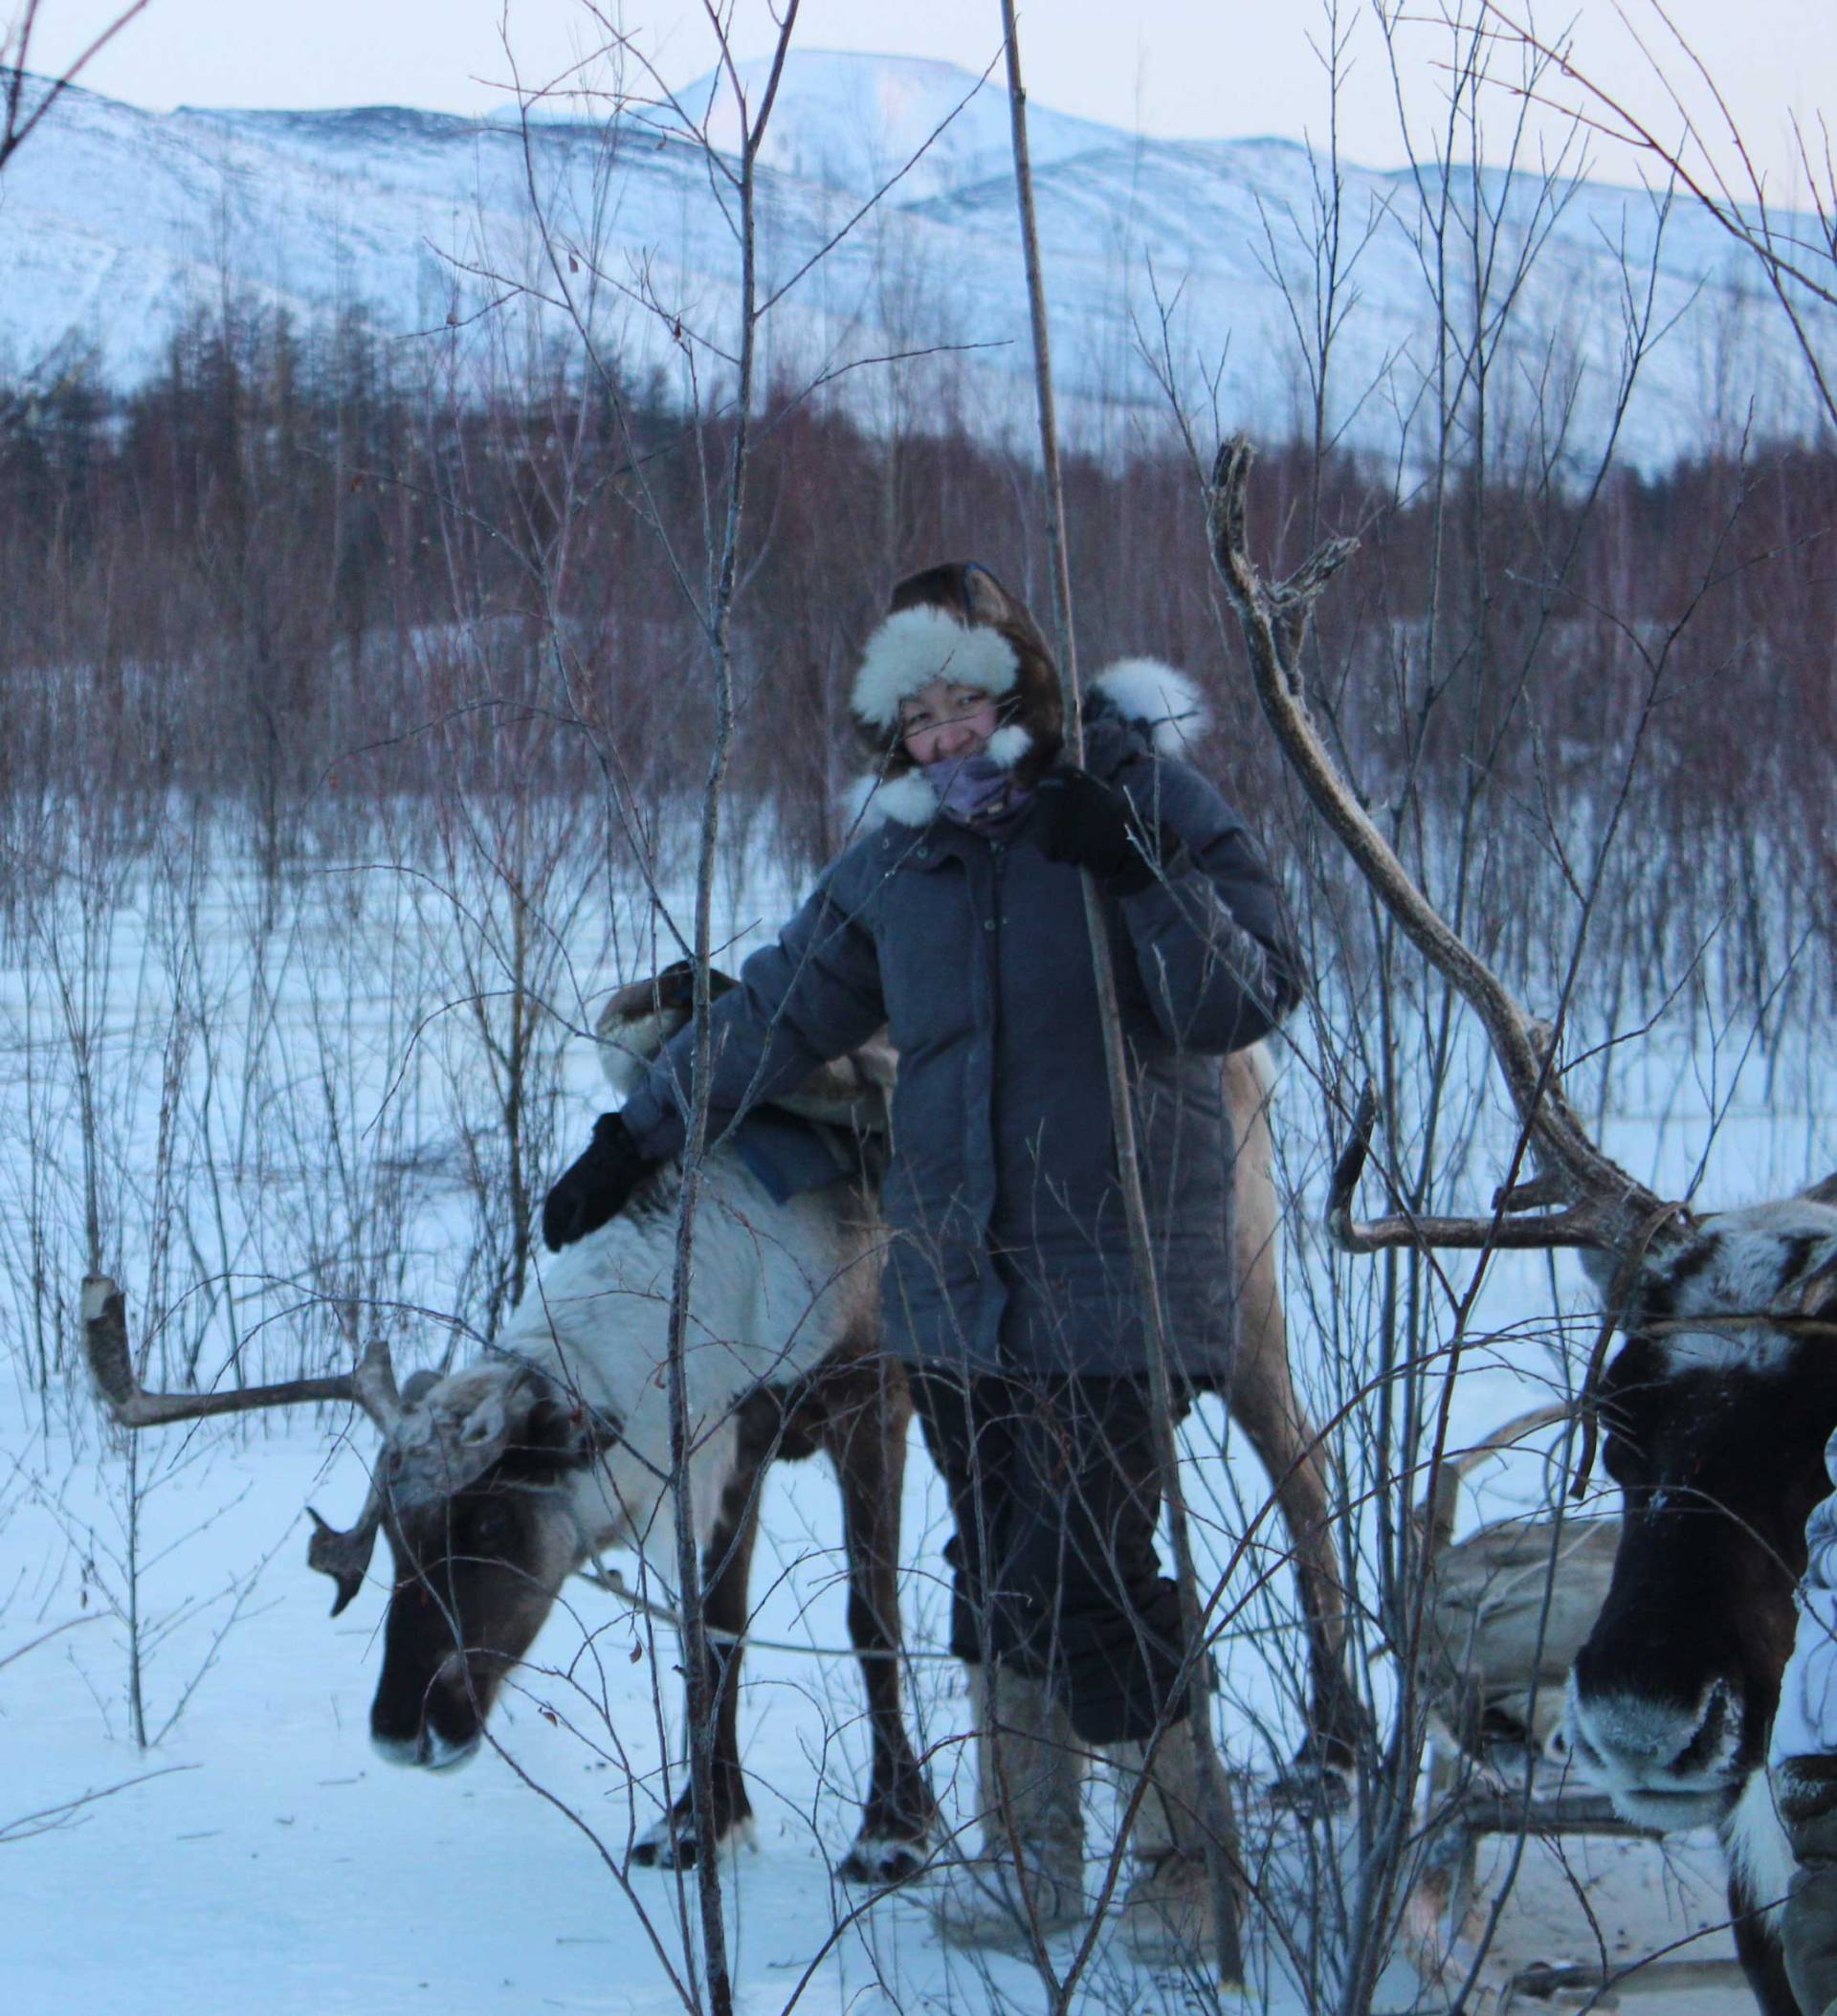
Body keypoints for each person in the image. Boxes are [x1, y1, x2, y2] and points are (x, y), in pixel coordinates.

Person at [542, 561, 1304, 1962]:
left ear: (1025, 691)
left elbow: (1244, 992)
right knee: (1002, 1569)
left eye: (966, 704)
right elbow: (775, 1007)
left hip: (1117, 1264)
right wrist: (637, 1132)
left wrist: (1133, 869)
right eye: (917, 721)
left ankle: (1195, 1867)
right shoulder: (901, 859)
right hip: (957, 1281)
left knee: (1088, 1560)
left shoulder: (1141, 799)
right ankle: (1031, 1866)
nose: (945, 739)